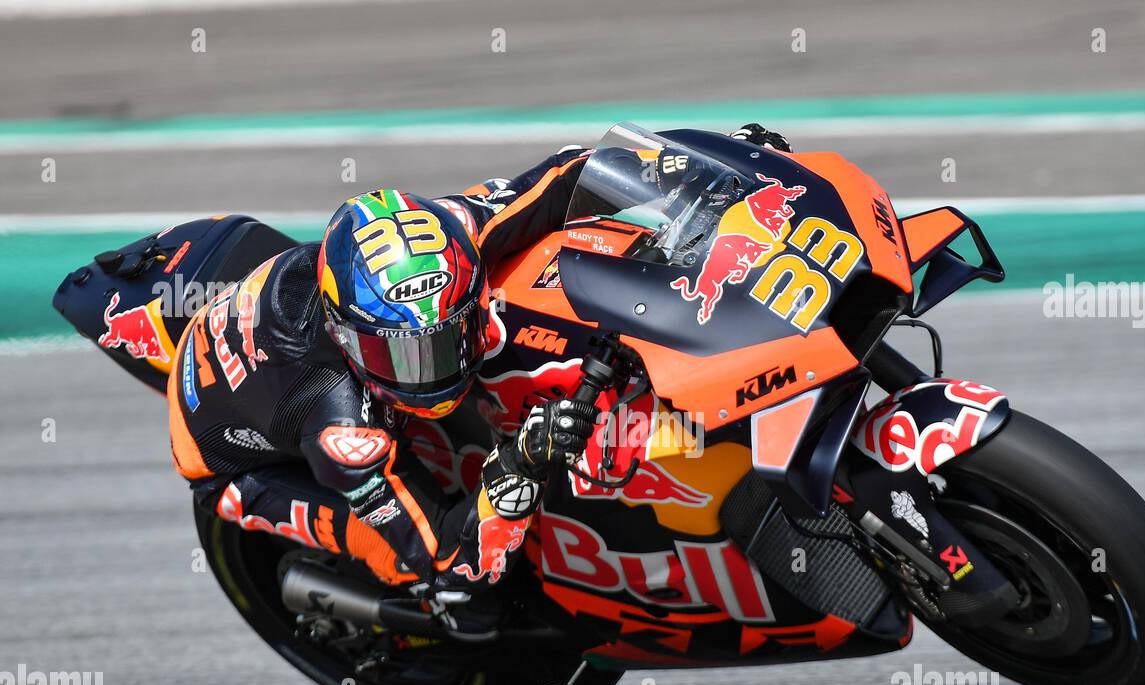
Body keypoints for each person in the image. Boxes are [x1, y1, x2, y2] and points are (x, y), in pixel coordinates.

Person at [166, 124, 789, 639]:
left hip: (292, 318)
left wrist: (702, 171)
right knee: (462, 598)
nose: (431, 371)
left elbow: (569, 175)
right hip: (238, 463)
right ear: (350, 338)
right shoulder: (338, 423)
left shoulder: (456, 231)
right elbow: (445, 552)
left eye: (446, 341)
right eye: (404, 357)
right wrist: (519, 461)